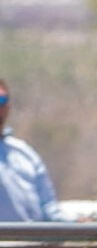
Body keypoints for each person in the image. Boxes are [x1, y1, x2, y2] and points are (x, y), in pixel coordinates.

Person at [0, 78, 59, 224]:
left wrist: (77, 222)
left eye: (1, 100)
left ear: (8, 107)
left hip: (31, 244)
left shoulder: (24, 153)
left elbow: (48, 208)